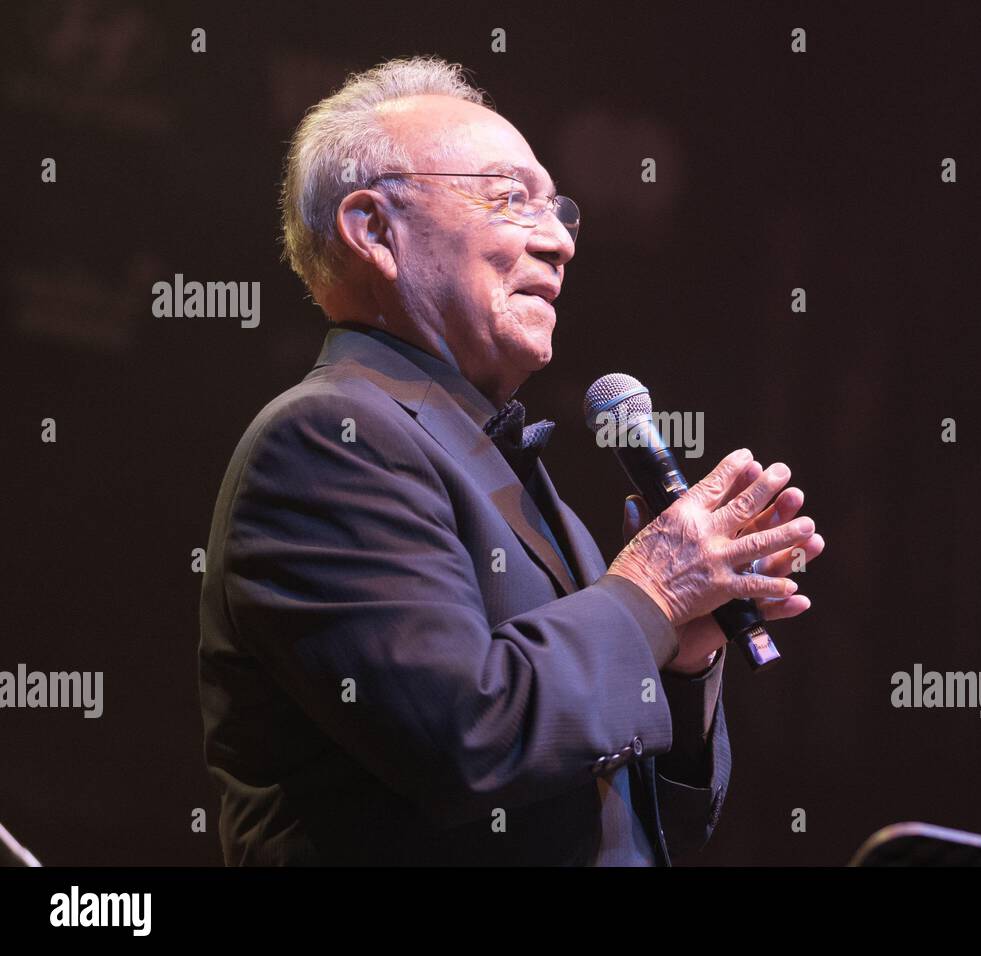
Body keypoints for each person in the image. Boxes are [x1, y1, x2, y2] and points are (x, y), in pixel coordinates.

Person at [197, 56, 824, 865]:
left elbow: (656, 821)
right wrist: (650, 594)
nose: (559, 239)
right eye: (508, 198)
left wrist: (686, 644)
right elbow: (467, 736)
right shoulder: (328, 439)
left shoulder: (514, 478)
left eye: (559, 209)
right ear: (374, 230)